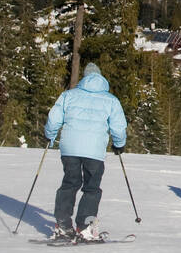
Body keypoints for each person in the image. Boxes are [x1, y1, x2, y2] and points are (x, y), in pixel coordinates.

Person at [44, 62, 127, 241]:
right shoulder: (111, 100)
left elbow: (53, 118)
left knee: (70, 183)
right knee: (92, 188)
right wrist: (119, 144)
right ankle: (84, 227)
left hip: (70, 148)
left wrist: (49, 136)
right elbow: (119, 127)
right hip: (94, 150)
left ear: (84, 77)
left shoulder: (69, 95)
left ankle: (63, 225)